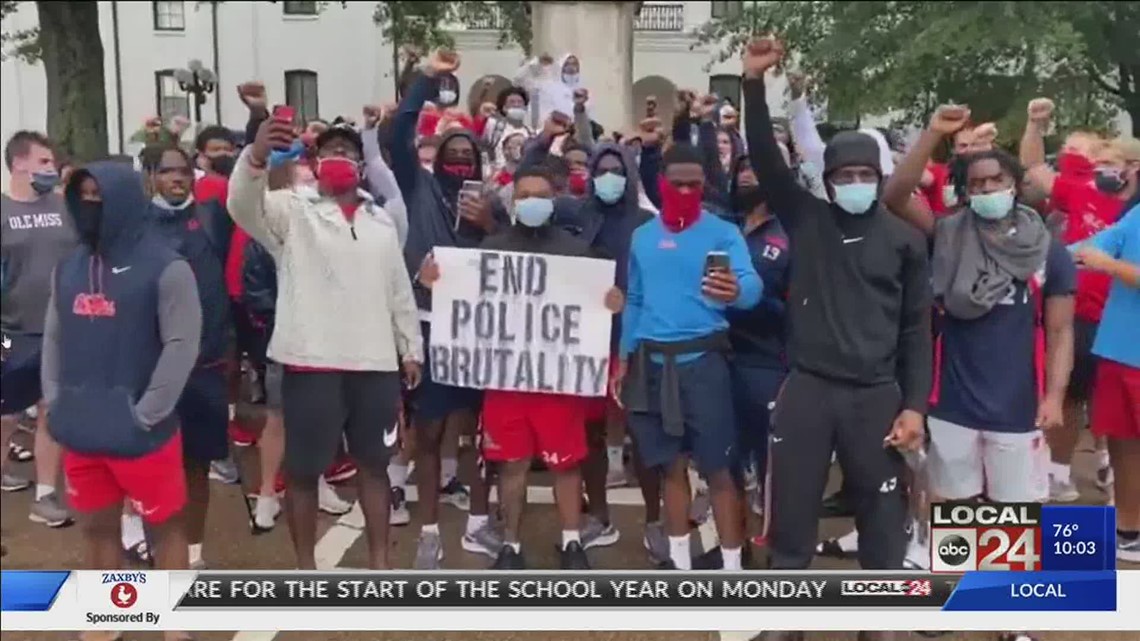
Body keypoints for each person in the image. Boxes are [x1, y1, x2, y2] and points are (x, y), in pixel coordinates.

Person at [742, 39, 929, 593]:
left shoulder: (905, 241)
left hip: (876, 395)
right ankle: (787, 614)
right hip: (807, 389)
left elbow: (918, 331)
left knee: (881, 512)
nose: (854, 184)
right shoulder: (807, 219)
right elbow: (765, 157)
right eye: (843, 175)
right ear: (827, 180)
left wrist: (914, 407)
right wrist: (753, 83)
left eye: (863, 175)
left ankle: (878, 619)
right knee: (794, 508)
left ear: (878, 175)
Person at [229, 114, 422, 570]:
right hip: (310, 362)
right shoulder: (292, 210)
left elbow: (398, 288)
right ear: (314, 162)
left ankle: (380, 566)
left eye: (350, 154)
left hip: (374, 365)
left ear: (362, 166)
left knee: (373, 467)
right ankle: (306, 568)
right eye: (331, 152)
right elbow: (241, 205)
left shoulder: (381, 222)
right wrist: (257, 156)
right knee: (303, 470)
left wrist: (410, 346)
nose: (341, 159)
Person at [420, 164, 625, 569]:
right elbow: (463, 296)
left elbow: (601, 305)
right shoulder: (491, 249)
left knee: (566, 464)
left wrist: (611, 302)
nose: (533, 202)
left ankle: (571, 542)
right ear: (513, 203)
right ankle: (511, 544)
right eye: (525, 195)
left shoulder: (577, 252)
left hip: (559, 382)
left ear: (555, 200)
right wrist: (435, 282)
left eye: (541, 195)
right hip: (506, 382)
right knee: (510, 465)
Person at [883, 105, 1076, 514]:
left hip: (1020, 405)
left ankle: (1003, 582)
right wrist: (933, 133)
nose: (989, 190)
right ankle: (963, 579)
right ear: (965, 192)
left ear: (1015, 185)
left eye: (997, 181)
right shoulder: (946, 235)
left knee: (1015, 516)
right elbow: (896, 195)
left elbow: (1060, 332)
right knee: (955, 512)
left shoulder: (1047, 252)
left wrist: (1055, 397)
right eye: (978, 185)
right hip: (953, 400)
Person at [45, 161, 201, 641]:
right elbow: (54, 337)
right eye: (83, 194)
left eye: (100, 194)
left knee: (167, 532)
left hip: (143, 432)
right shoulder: (68, 266)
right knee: (97, 530)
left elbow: (181, 345)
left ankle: (173, 622)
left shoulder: (166, 265)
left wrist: (147, 412)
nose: (91, 203)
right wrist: (56, 403)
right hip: (82, 429)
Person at [615, 142, 763, 572]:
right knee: (669, 467)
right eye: (676, 184)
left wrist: (737, 292)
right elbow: (636, 299)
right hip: (651, 363)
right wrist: (624, 358)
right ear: (661, 184)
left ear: (705, 186)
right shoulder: (643, 236)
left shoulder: (722, 232)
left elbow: (750, 285)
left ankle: (733, 568)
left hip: (705, 364)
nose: (684, 191)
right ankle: (679, 563)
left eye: (694, 185)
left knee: (719, 470)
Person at [390, 49, 507, 569]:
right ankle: (431, 529)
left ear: (480, 164)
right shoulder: (418, 189)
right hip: (433, 329)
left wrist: (490, 228)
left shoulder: (492, 205)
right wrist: (426, 80)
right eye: (452, 153)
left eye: (469, 155)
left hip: (480, 333)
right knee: (432, 432)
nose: (461, 161)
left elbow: (514, 263)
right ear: (437, 161)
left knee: (479, 431)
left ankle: (480, 522)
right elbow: (396, 135)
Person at [1020, 98, 1139, 502]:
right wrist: (1036, 126)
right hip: (1083, 317)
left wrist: (1108, 263)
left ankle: (1115, 476)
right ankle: (1059, 472)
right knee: (1071, 397)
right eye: (1095, 162)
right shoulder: (1081, 190)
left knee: (1118, 413)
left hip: (1125, 325)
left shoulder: (1133, 207)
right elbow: (1035, 169)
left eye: (1109, 161)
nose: (1102, 169)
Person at [556, 142, 658, 555]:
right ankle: (599, 515)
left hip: (633, 342)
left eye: (618, 169)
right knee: (590, 436)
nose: (609, 177)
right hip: (586, 343)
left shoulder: (647, 222)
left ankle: (655, 520)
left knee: (643, 434)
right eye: (603, 169)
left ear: (629, 175)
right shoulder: (576, 215)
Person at [146, 144, 236, 569]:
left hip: (207, 366)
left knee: (198, 466)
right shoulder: (137, 226)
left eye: (184, 171)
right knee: (149, 466)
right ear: (152, 176)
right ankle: (153, 547)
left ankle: (194, 554)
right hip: (153, 369)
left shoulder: (213, 217)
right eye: (168, 172)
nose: (178, 178)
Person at [0, 130, 76, 528]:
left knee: (51, 410)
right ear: (19, 164)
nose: (52, 169)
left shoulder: (64, 207)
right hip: (11, 332)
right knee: (6, 415)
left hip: (60, 329)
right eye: (44, 162)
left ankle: (45, 495)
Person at [724, 153, 790, 532]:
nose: (747, 176)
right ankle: (734, 545)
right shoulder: (723, 229)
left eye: (757, 169)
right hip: (719, 359)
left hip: (767, 363)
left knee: (772, 465)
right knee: (725, 461)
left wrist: (749, 296)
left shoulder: (790, 234)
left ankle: (775, 548)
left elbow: (798, 307)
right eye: (741, 170)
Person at [1071, 205, 1140, 562]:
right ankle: (1129, 532)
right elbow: (1093, 246)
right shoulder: (1138, 214)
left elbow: (1102, 259)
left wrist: (1108, 265)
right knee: (1123, 447)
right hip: (1119, 349)